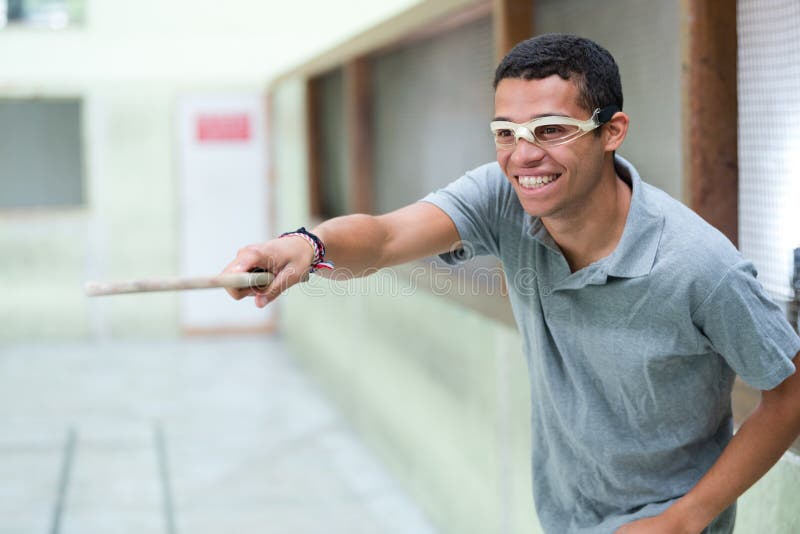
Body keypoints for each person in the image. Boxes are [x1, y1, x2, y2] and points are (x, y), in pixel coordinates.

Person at [223, 34, 800, 534]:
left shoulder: (699, 265)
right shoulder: (505, 199)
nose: (524, 155)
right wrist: (303, 246)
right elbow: (385, 238)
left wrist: (685, 517)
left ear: (612, 131)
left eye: (551, 130)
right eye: (506, 131)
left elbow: (789, 391)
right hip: (564, 514)